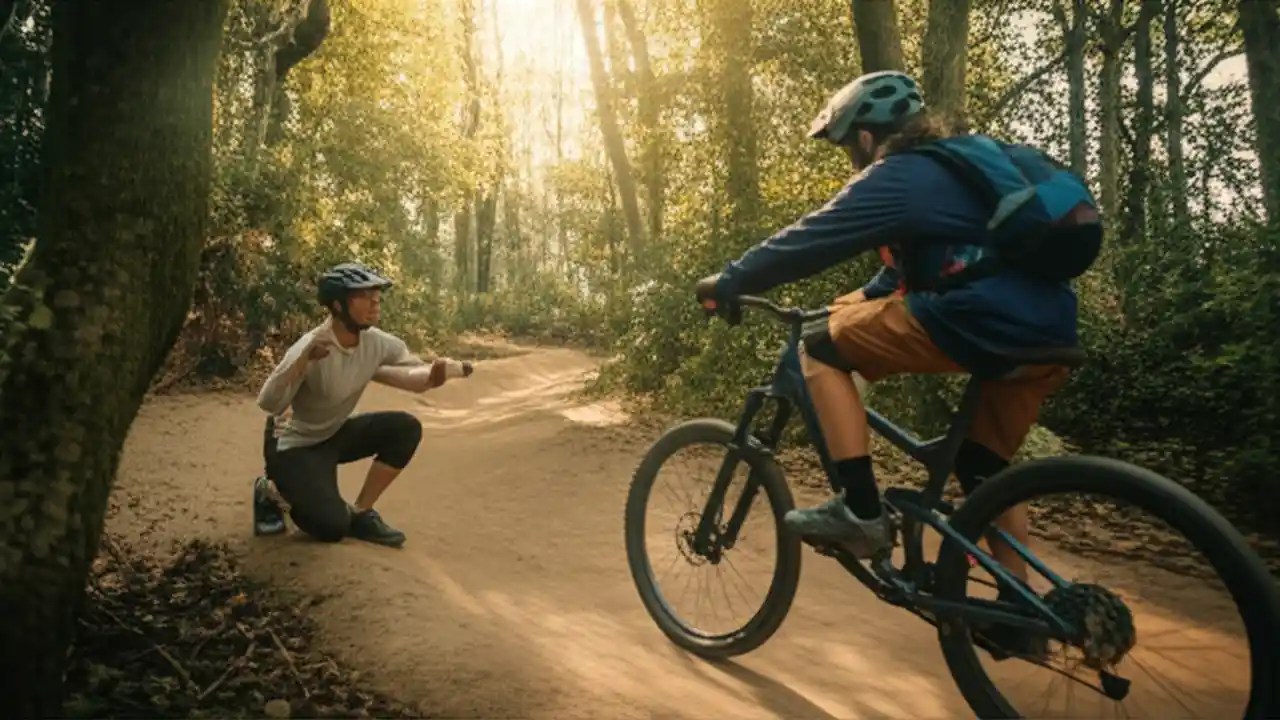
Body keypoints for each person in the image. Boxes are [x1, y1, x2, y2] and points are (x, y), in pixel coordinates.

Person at [695, 71, 1098, 645]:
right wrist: (846, 303)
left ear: (864, 138)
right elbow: (903, 276)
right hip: (1049, 330)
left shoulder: (902, 172)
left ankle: (861, 510)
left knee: (819, 350)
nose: (850, 161)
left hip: (979, 321)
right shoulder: (963, 172)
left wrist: (730, 280)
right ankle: (1021, 608)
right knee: (982, 469)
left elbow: (813, 237)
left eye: (846, 149)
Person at [252, 261, 472, 548]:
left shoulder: (376, 343)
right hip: (292, 445)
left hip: (332, 433)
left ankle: (361, 512)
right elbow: (268, 402)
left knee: (405, 428)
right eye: (364, 296)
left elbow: (408, 375)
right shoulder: (312, 345)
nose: (375, 302)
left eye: (376, 295)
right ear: (338, 305)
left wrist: (433, 375)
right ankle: (269, 491)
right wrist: (304, 360)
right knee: (330, 527)